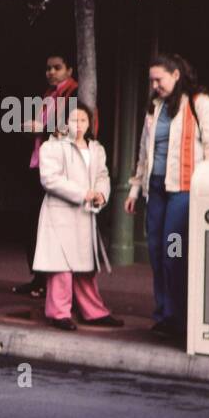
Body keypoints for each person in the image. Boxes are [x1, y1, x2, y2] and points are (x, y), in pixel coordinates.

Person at [124, 54, 209, 342]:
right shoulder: (154, 108)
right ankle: (165, 314)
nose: (155, 85)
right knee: (157, 252)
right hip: (155, 190)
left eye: (160, 79)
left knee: (174, 252)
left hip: (184, 191)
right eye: (152, 80)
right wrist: (134, 189)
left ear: (177, 74)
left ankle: (182, 319)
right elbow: (145, 153)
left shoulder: (203, 105)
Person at [33, 104, 122, 330]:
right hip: (59, 213)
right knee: (61, 266)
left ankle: (93, 311)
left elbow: (102, 175)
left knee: (85, 267)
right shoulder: (52, 147)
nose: (79, 125)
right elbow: (50, 179)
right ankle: (58, 312)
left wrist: (101, 194)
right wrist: (83, 193)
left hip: (84, 214)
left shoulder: (95, 149)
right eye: (74, 121)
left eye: (83, 120)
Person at [14, 54, 79, 298]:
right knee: (32, 223)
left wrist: (40, 128)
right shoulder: (49, 95)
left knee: (47, 224)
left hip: (57, 167)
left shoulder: (73, 94)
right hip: (40, 162)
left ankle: (48, 281)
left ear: (69, 69)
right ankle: (38, 277)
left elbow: (74, 126)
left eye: (57, 67)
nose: (51, 72)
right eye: (48, 68)